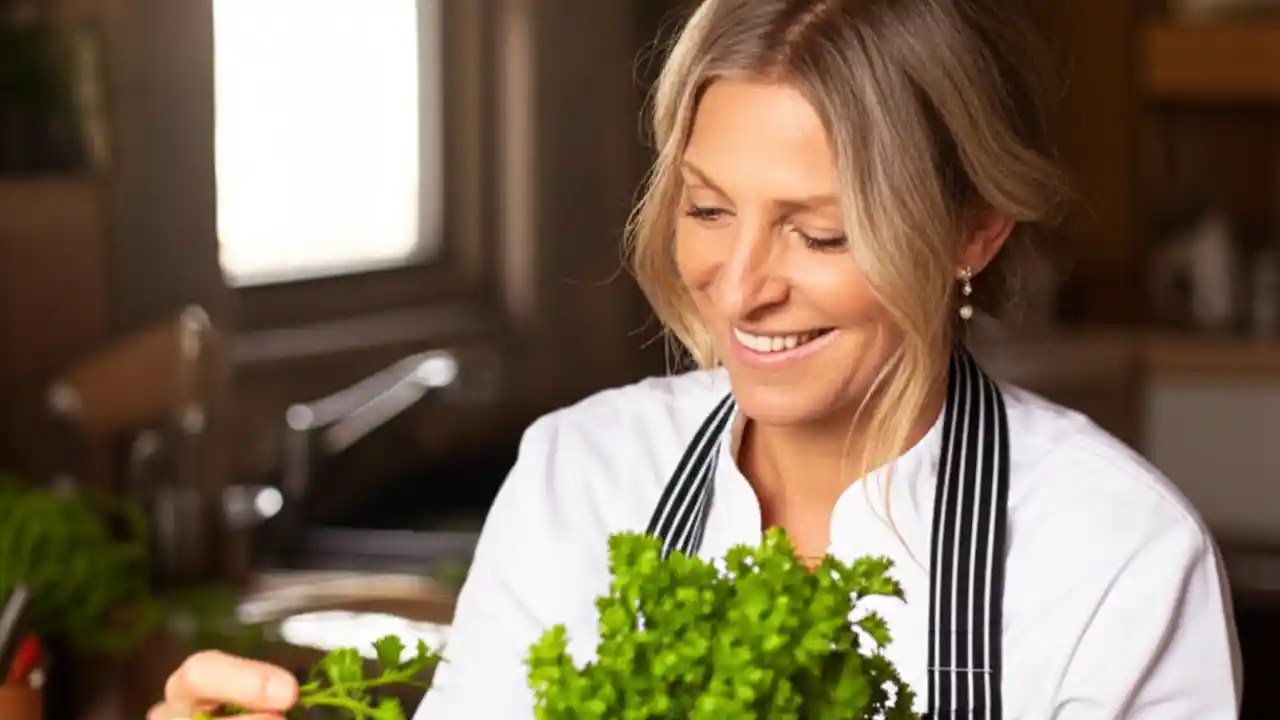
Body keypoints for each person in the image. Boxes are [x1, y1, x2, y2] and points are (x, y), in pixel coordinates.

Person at [150, 0, 1242, 718]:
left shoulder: (1113, 557)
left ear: (973, 233)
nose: (740, 284)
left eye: (820, 233)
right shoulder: (580, 478)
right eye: (709, 209)